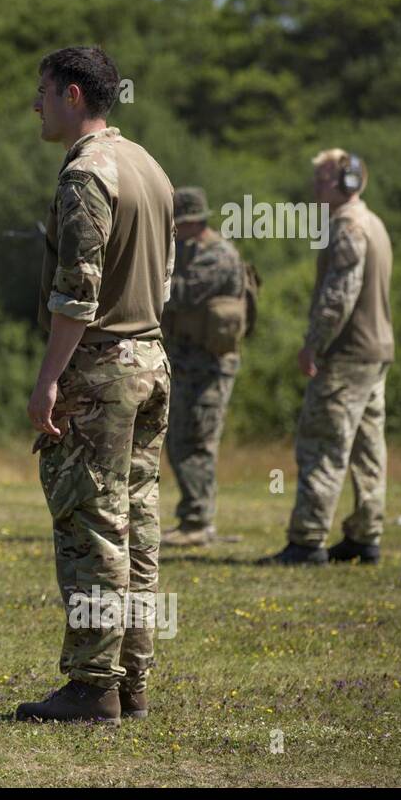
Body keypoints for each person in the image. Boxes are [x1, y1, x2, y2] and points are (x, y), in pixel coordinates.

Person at [15, 46, 174, 725]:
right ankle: (131, 682)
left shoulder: (87, 173)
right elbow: (164, 279)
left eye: (44, 91)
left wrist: (50, 378)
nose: (37, 103)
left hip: (103, 366)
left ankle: (92, 687)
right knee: (137, 526)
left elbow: (76, 293)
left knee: (93, 527)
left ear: (73, 95)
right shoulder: (150, 166)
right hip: (151, 357)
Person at [262, 150, 392, 566]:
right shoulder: (372, 222)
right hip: (373, 353)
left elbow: (339, 297)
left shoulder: (348, 227)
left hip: (346, 356)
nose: (315, 188)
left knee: (322, 443)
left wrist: (313, 344)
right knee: (367, 447)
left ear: (348, 183)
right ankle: (365, 534)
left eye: (323, 180)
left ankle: (308, 540)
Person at [161, 186, 247, 547]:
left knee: (197, 440)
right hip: (187, 364)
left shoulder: (219, 255)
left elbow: (183, 293)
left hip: (209, 367)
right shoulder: (190, 250)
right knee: (179, 440)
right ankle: (193, 518)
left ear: (192, 221)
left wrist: (145, 276)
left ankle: (198, 523)